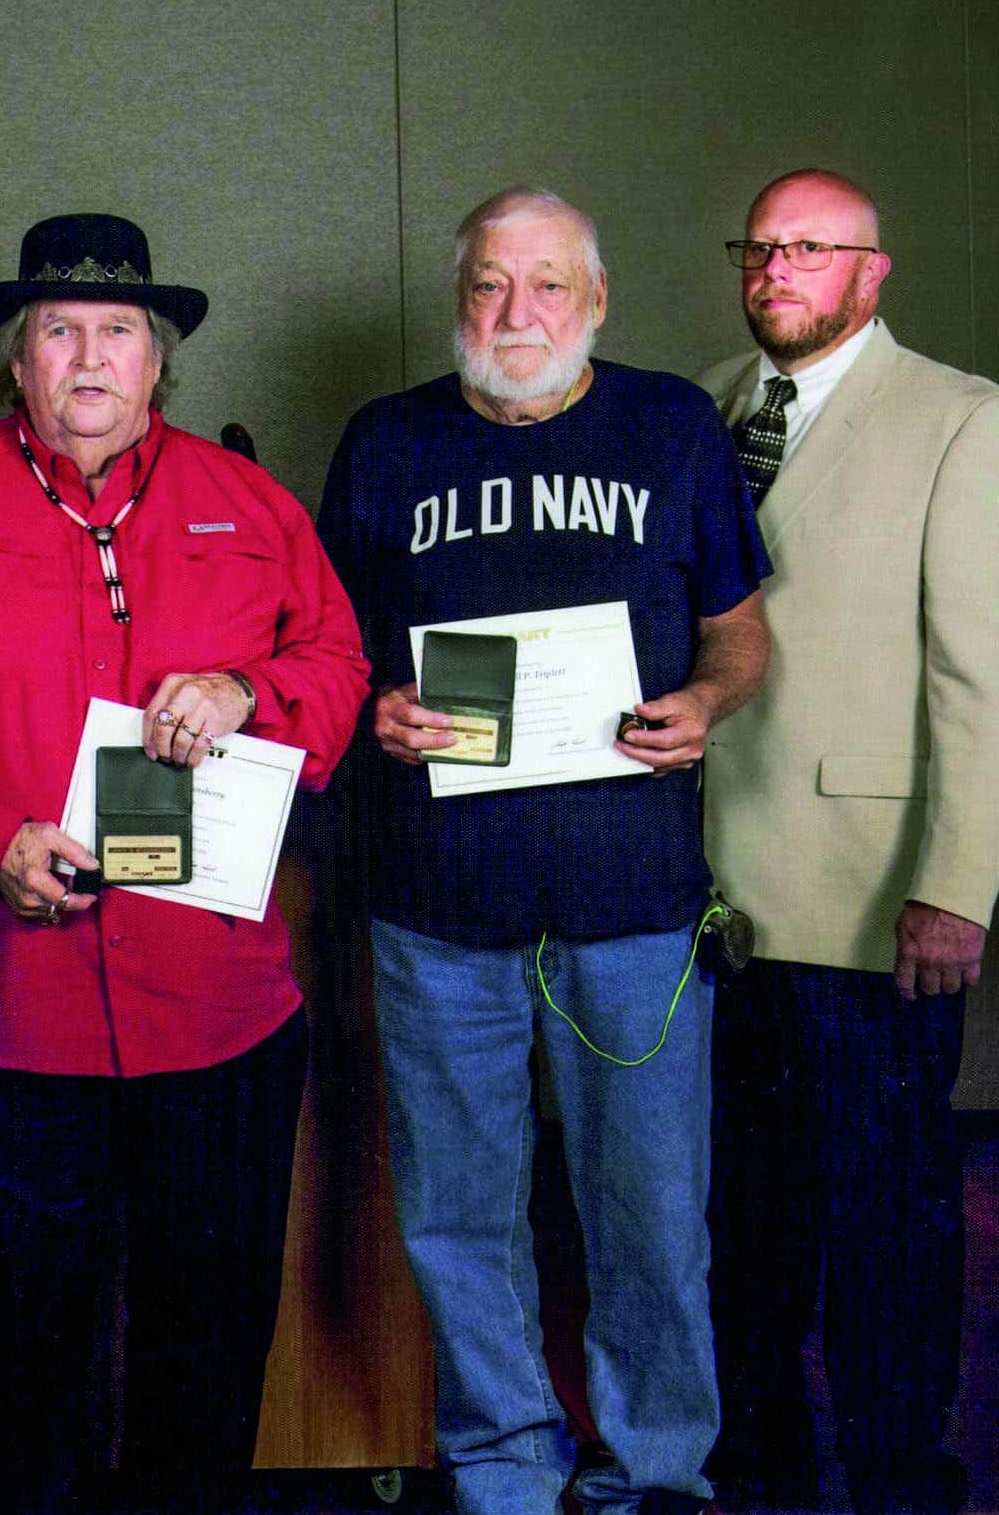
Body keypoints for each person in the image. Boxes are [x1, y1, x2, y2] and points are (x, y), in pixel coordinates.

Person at [0, 213, 368, 1512]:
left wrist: (250, 689)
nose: (89, 355)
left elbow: (336, 671)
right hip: (1, 1009)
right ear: (14, 363)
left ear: (160, 362)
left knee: (207, 1342)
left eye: (118, 330)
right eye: (56, 330)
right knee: (11, 1351)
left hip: (216, 1016)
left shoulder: (248, 506)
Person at [316, 186, 770, 1515]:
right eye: (487, 288)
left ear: (597, 301)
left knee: (647, 1221)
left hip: (632, 913)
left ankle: (657, 1471)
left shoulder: (669, 427)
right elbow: (323, 641)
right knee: (460, 1222)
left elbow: (737, 629)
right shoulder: (385, 442)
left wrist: (706, 702)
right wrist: (368, 705)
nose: (514, 315)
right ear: (457, 299)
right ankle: (505, 1471)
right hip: (434, 917)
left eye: (546, 287)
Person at [697, 169, 999, 1515]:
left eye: (809, 249)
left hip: (872, 898)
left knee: (885, 1221)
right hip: (705, 898)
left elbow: (977, 679)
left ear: (870, 274)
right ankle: (756, 1459)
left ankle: (893, 1466)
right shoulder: (697, 405)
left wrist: (954, 887)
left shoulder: (959, 419)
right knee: (739, 1221)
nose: (775, 271)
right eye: (759, 248)